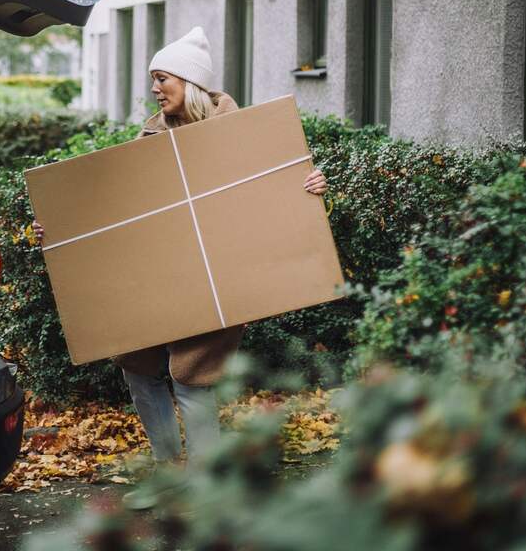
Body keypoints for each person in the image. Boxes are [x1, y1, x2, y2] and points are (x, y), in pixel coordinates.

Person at [32, 27, 328, 508]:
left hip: (217, 278)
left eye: (161, 77)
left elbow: (269, 195)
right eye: (152, 78)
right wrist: (61, 232)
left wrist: (309, 188)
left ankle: (207, 486)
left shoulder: (238, 134)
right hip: (155, 280)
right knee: (138, 365)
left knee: (191, 373)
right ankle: (168, 472)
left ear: (187, 82)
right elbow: (119, 209)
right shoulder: (148, 136)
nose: (153, 88)